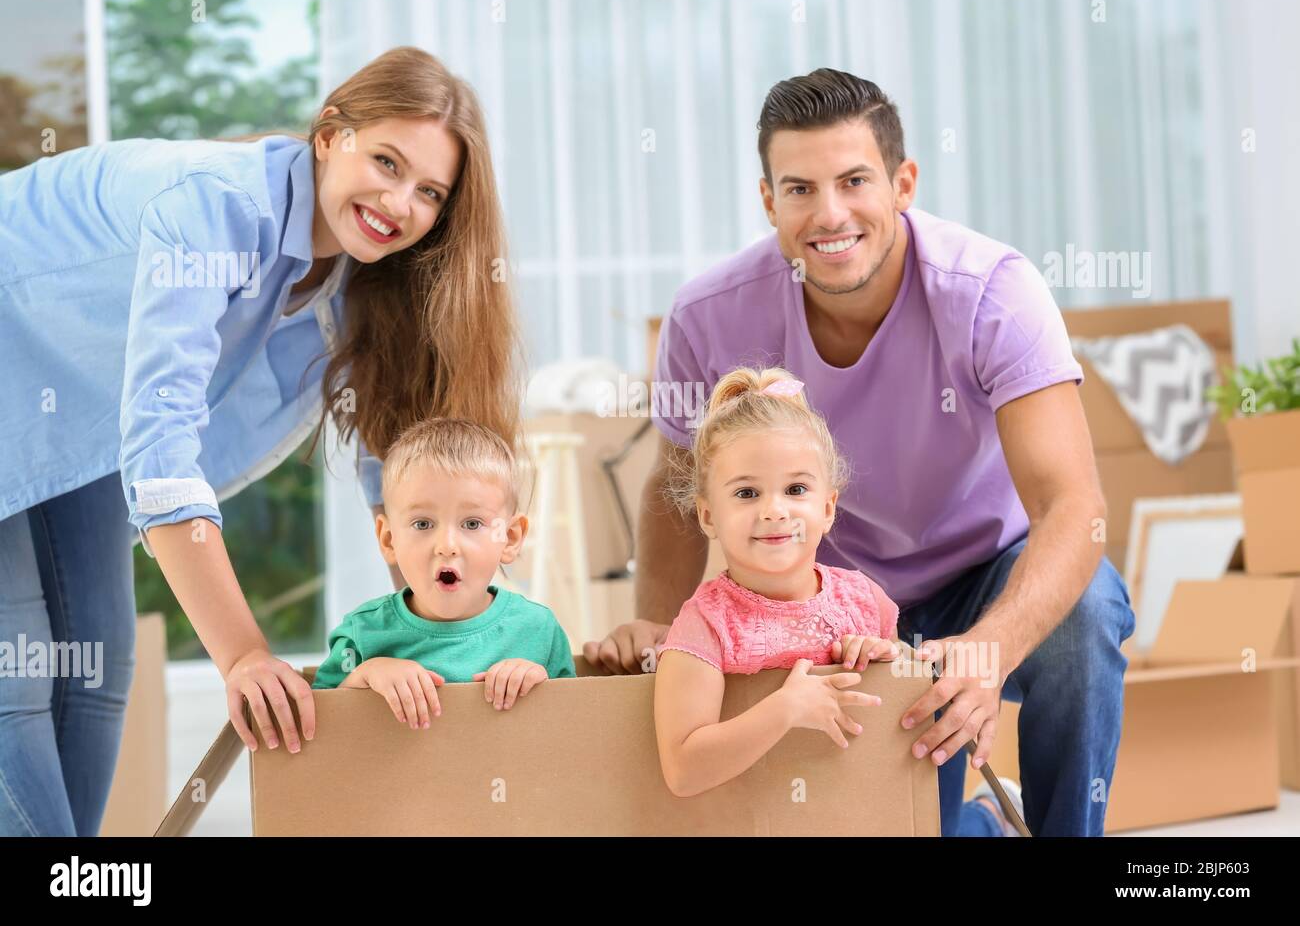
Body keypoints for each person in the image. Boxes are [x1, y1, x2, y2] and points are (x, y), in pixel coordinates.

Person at [585, 68, 1135, 836]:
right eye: (801, 189)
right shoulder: (706, 316)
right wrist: (654, 627)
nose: (830, 213)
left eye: (853, 180)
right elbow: (674, 490)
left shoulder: (993, 293)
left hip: (984, 577)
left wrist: (991, 648)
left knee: (1086, 614)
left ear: (903, 182)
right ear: (768, 201)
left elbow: (1073, 505)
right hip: (817, 598)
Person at [0, 47, 521, 836]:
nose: (398, 201)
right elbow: (163, 441)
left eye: (429, 193)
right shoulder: (214, 210)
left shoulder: (362, 282)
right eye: (385, 160)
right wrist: (244, 656)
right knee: (18, 673)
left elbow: (406, 480)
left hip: (71, 402)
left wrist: (443, 634)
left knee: (96, 667)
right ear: (328, 132)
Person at [652, 367, 899, 798]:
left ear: (828, 507)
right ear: (708, 515)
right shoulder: (707, 624)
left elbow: (900, 705)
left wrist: (886, 658)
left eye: (796, 489)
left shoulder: (865, 602)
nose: (774, 511)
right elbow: (682, 769)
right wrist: (784, 709)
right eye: (747, 493)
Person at [311, 418, 575, 718]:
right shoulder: (363, 633)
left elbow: (572, 729)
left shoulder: (539, 631)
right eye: (423, 523)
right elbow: (321, 731)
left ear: (510, 537)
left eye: (472, 523)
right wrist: (364, 675)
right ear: (388, 539)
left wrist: (539, 682)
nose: (447, 544)